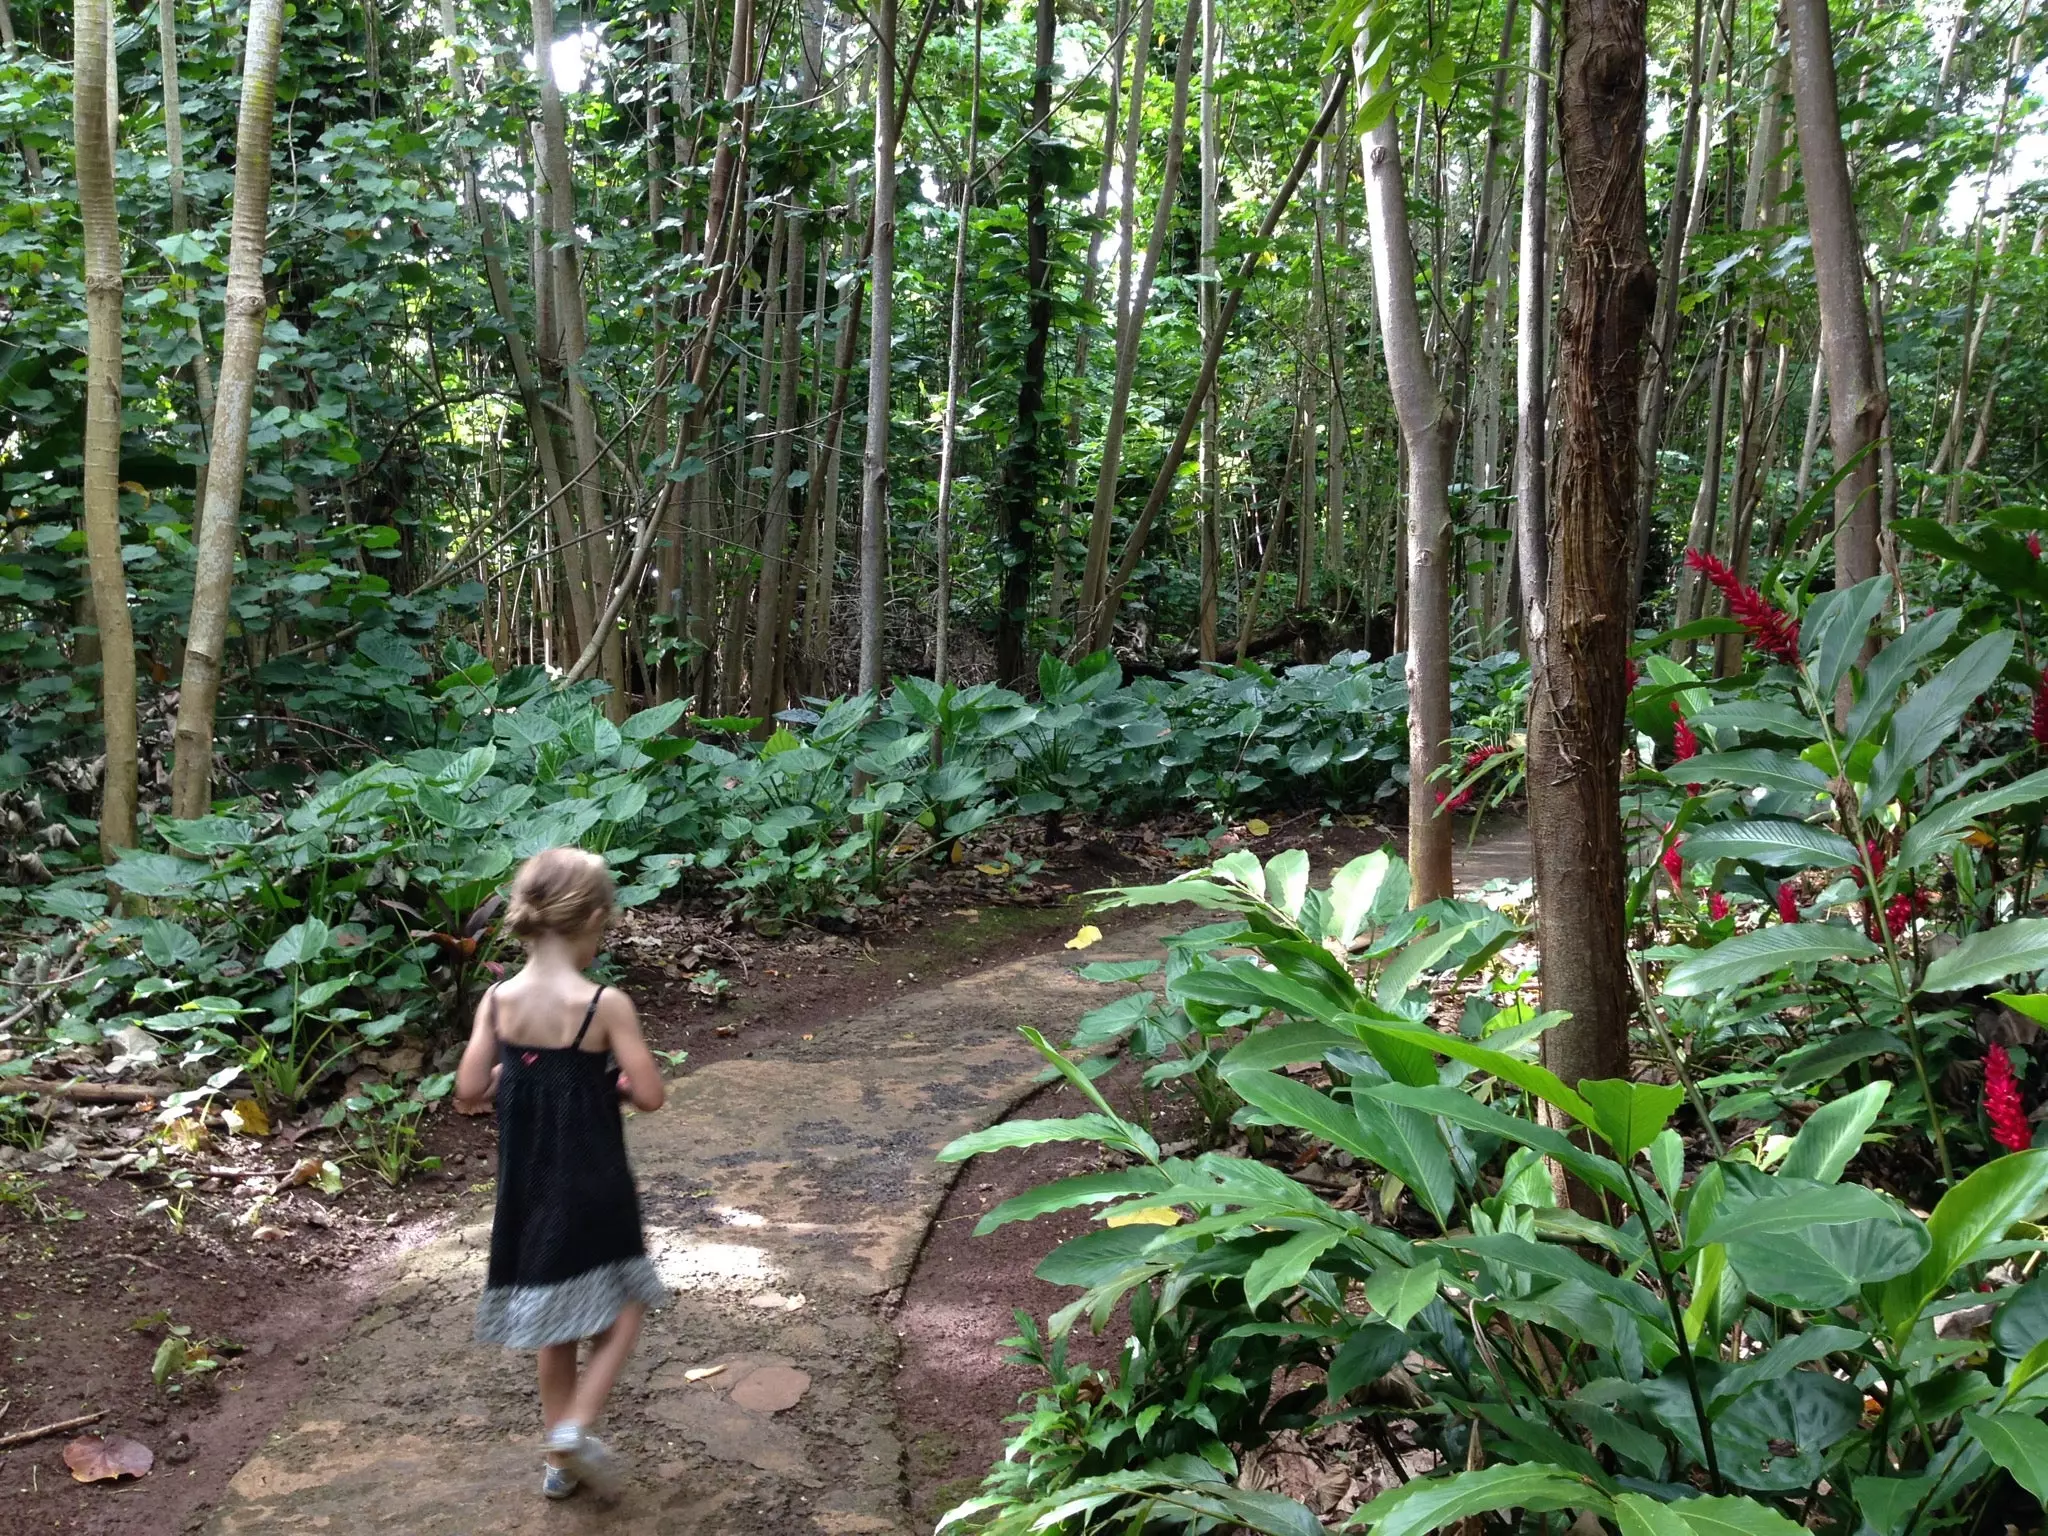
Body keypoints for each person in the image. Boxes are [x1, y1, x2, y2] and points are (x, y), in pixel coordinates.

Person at [455, 846, 668, 1501]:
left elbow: (467, 1089)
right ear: (596, 917)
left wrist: (503, 1078)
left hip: (530, 1193)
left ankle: (557, 1459)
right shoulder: (604, 1004)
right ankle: (574, 1427)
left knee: (557, 1325)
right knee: (626, 1308)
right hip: (597, 1186)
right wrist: (623, 1086)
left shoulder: (497, 1001)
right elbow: (652, 1093)